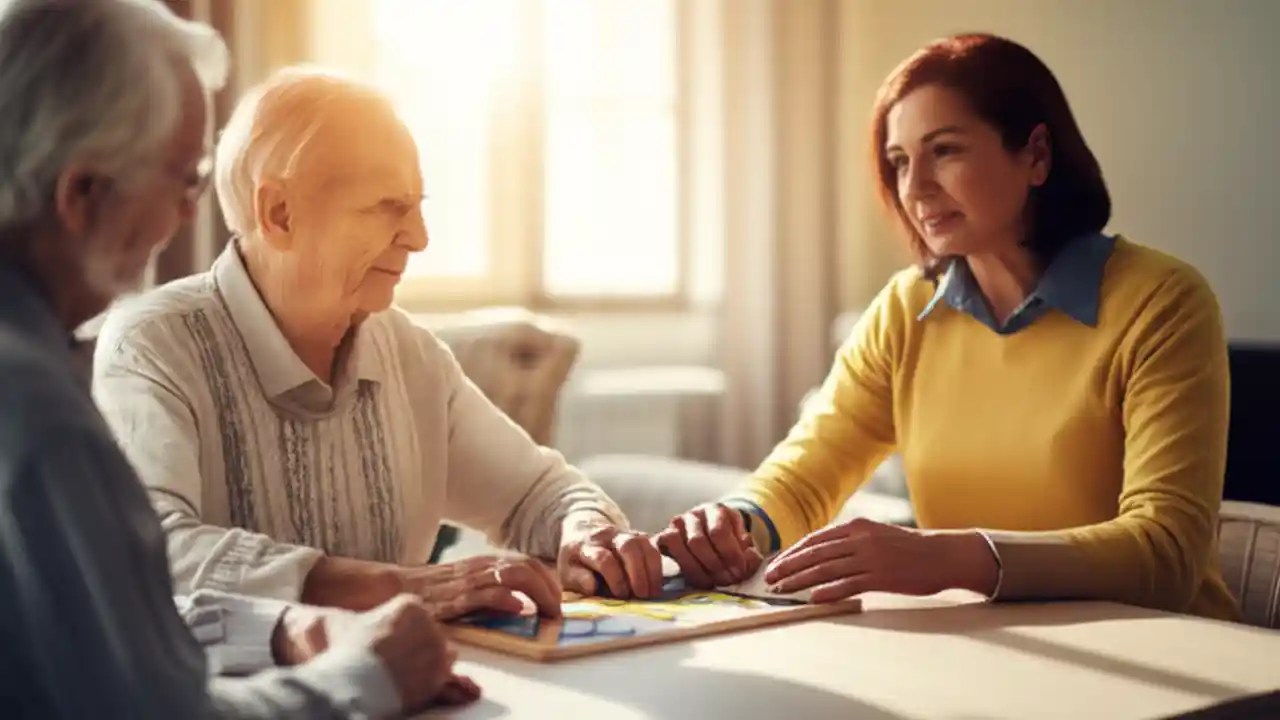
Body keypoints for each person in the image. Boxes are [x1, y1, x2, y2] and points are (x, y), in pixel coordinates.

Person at [657, 33, 1240, 622]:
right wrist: (736, 521)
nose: (914, 188)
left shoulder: (1163, 303)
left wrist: (947, 559)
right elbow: (803, 480)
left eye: (945, 151)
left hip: (1179, 660)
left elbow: (1167, 553)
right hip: (1000, 650)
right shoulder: (904, 311)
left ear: (1036, 154)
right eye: (900, 162)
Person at [0, 0, 480, 717]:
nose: (195, 213)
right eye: (185, 178)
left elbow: (109, 630)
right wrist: (369, 677)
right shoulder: (41, 418)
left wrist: (281, 625)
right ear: (83, 194)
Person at [91, 66, 666, 616]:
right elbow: (152, 552)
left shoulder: (410, 355)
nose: (418, 237)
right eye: (387, 208)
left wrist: (586, 529)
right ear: (280, 212)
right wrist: (401, 587)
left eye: (417, 208)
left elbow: (538, 493)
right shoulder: (151, 346)